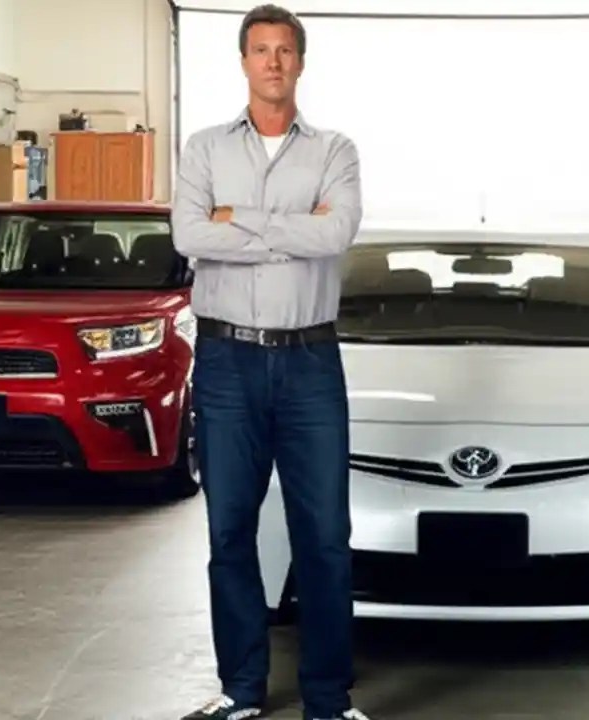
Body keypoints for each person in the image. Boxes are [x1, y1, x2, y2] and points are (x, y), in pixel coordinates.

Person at [170, 5, 366, 720]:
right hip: (226, 361)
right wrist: (292, 230)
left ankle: (327, 700)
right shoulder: (204, 148)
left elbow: (337, 232)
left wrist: (239, 220)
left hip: (311, 362)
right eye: (261, 50)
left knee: (324, 536)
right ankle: (242, 691)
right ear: (244, 62)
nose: (274, 62)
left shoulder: (335, 149)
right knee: (228, 531)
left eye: (285, 50)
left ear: (301, 63)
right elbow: (190, 233)